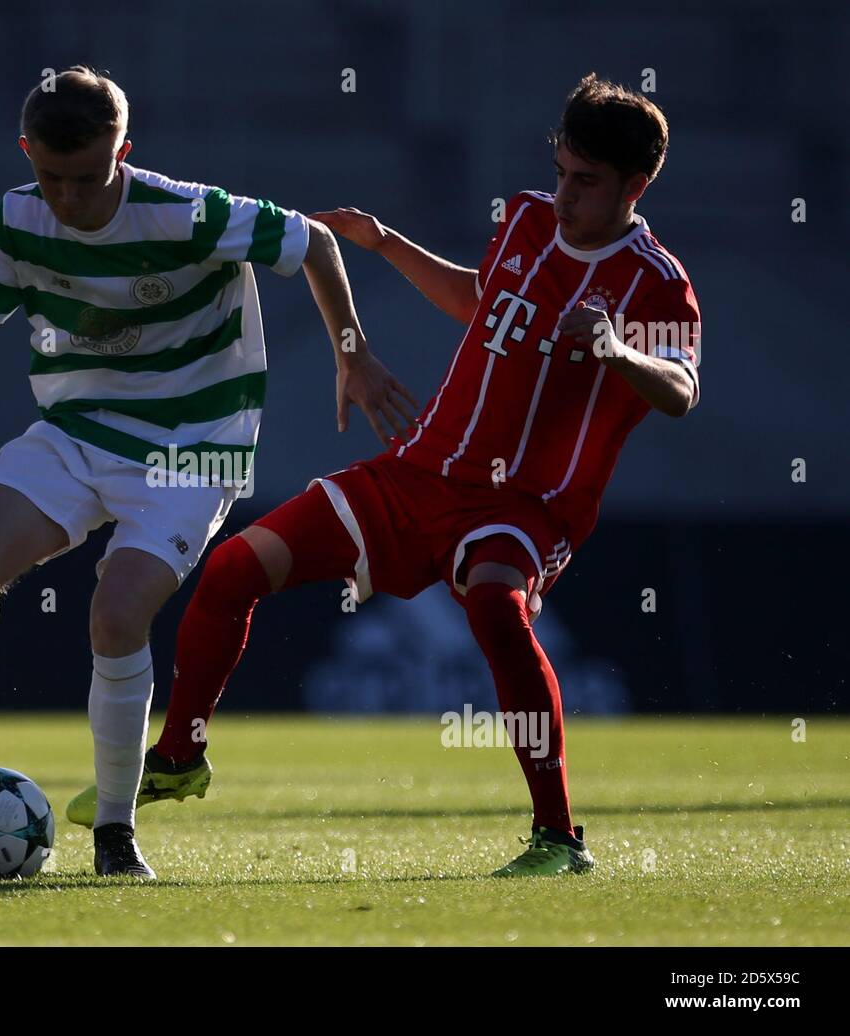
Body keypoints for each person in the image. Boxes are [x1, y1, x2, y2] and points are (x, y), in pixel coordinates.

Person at [68, 73, 702, 877]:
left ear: (634, 186)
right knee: (233, 570)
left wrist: (617, 349)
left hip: (524, 503)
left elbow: (681, 390)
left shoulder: (655, 281)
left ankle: (558, 837)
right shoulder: (527, 220)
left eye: (588, 182)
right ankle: (180, 755)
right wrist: (385, 244)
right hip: (421, 470)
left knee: (499, 611)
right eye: (563, 172)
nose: (566, 194)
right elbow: (483, 300)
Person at [0, 66, 415, 878]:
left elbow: (316, 244)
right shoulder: (19, 218)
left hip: (193, 448)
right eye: (51, 177)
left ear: (124, 152)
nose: (69, 199)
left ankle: (116, 835)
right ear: (26, 154)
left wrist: (352, 356)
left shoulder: (185, 212)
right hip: (78, 432)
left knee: (117, 614)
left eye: (88, 178)